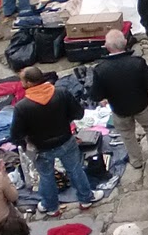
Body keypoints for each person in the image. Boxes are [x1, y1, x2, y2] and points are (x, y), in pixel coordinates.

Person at [10, 65, 97, 214]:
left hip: (40, 148)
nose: (21, 83)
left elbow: (15, 135)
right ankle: (85, 199)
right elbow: (79, 114)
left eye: (22, 81)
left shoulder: (22, 107)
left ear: (29, 83)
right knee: (75, 170)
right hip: (65, 140)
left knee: (46, 176)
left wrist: (26, 141)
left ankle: (51, 207)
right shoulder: (61, 93)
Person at [90, 29, 148, 173]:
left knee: (127, 134)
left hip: (120, 110)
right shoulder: (137, 63)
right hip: (142, 105)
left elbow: (96, 95)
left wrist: (105, 97)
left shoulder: (100, 70)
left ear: (107, 47)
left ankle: (136, 161)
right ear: (125, 43)